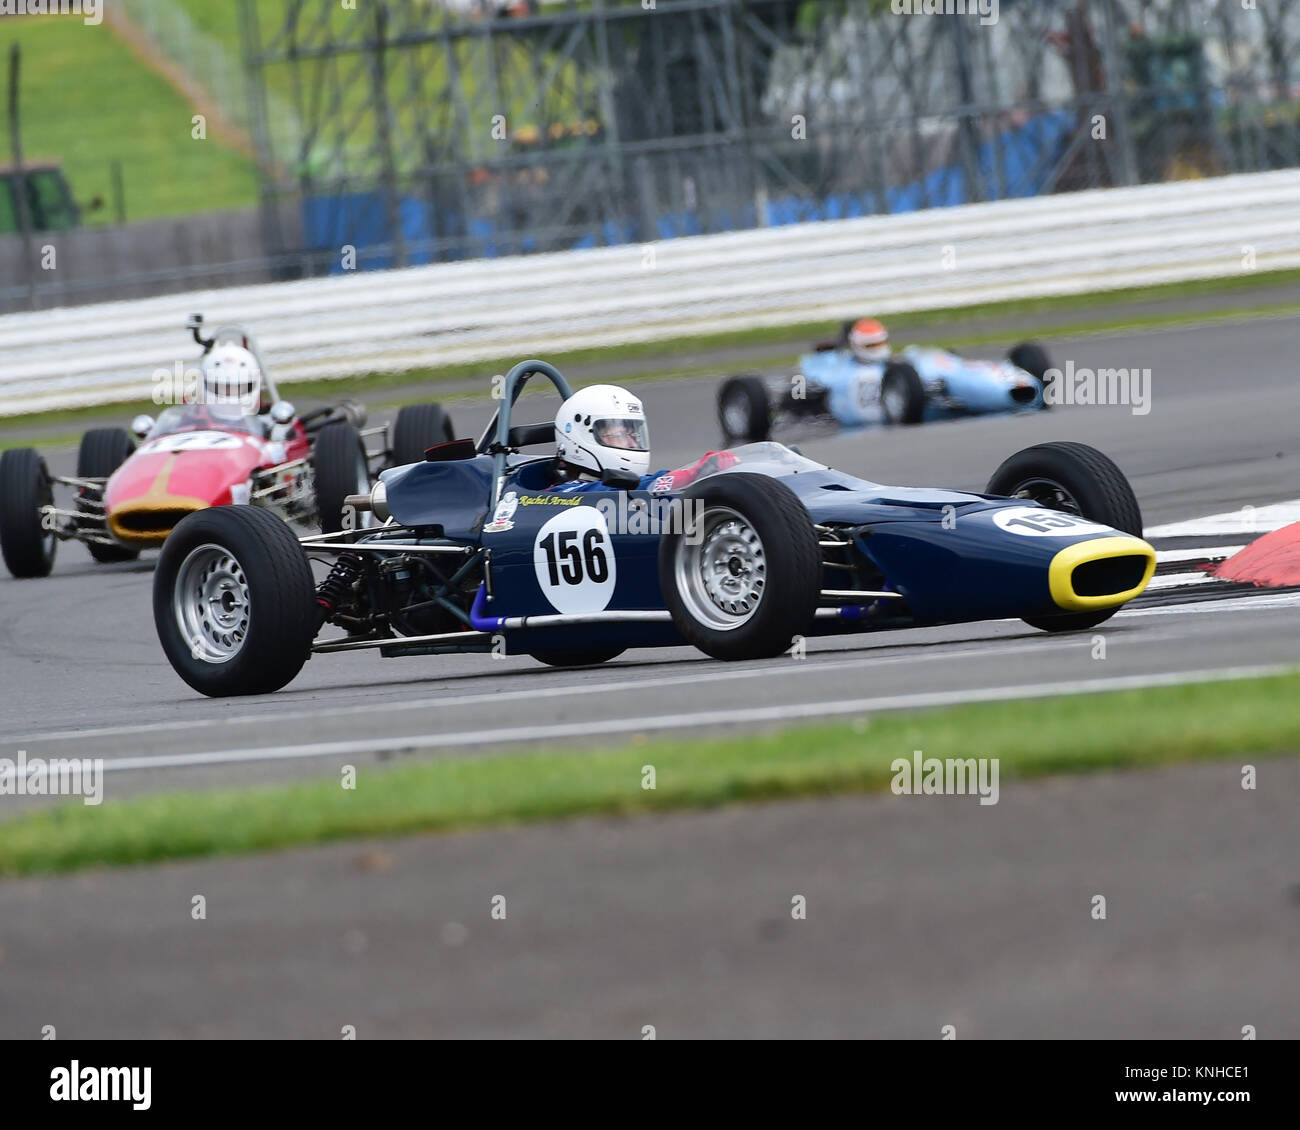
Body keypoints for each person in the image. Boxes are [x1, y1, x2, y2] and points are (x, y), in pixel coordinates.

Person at [547, 383, 735, 494]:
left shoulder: (634, 486)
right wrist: (695, 473)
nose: (630, 443)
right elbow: (627, 490)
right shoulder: (565, 494)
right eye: (618, 434)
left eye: (633, 434)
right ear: (579, 438)